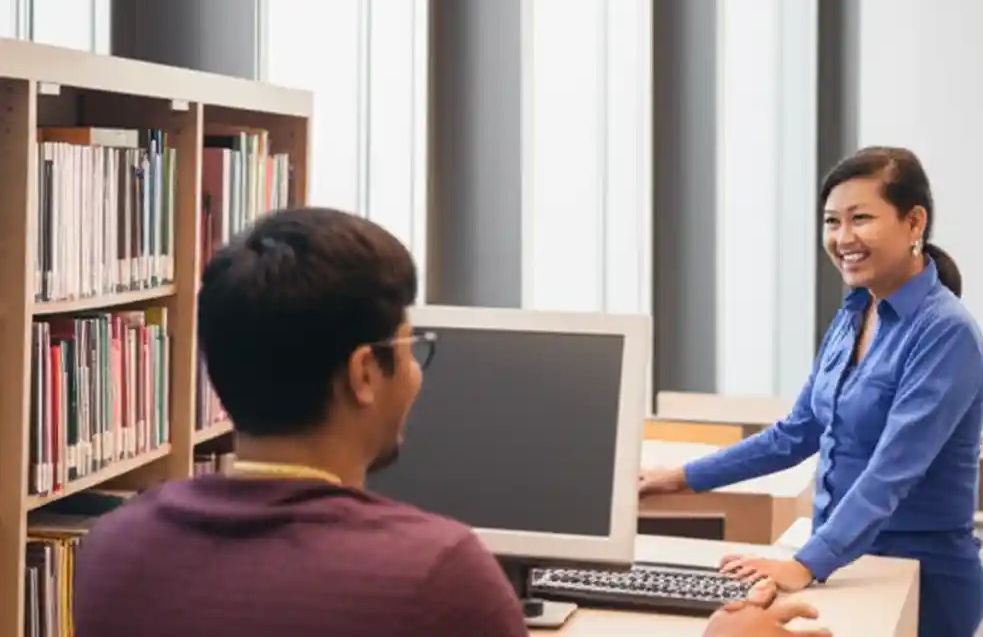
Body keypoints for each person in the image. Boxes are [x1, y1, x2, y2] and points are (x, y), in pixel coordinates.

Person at [72, 206, 825, 637]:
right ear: (364, 373)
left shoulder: (116, 545)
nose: (419, 375)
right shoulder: (431, 574)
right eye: (413, 350)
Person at [641, 147, 983, 637]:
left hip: (918, 577)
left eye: (860, 219)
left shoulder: (945, 332)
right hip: (843, 562)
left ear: (914, 223)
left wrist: (804, 563)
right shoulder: (855, 313)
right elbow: (796, 432)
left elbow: (892, 470)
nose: (843, 238)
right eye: (832, 221)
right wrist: (680, 477)